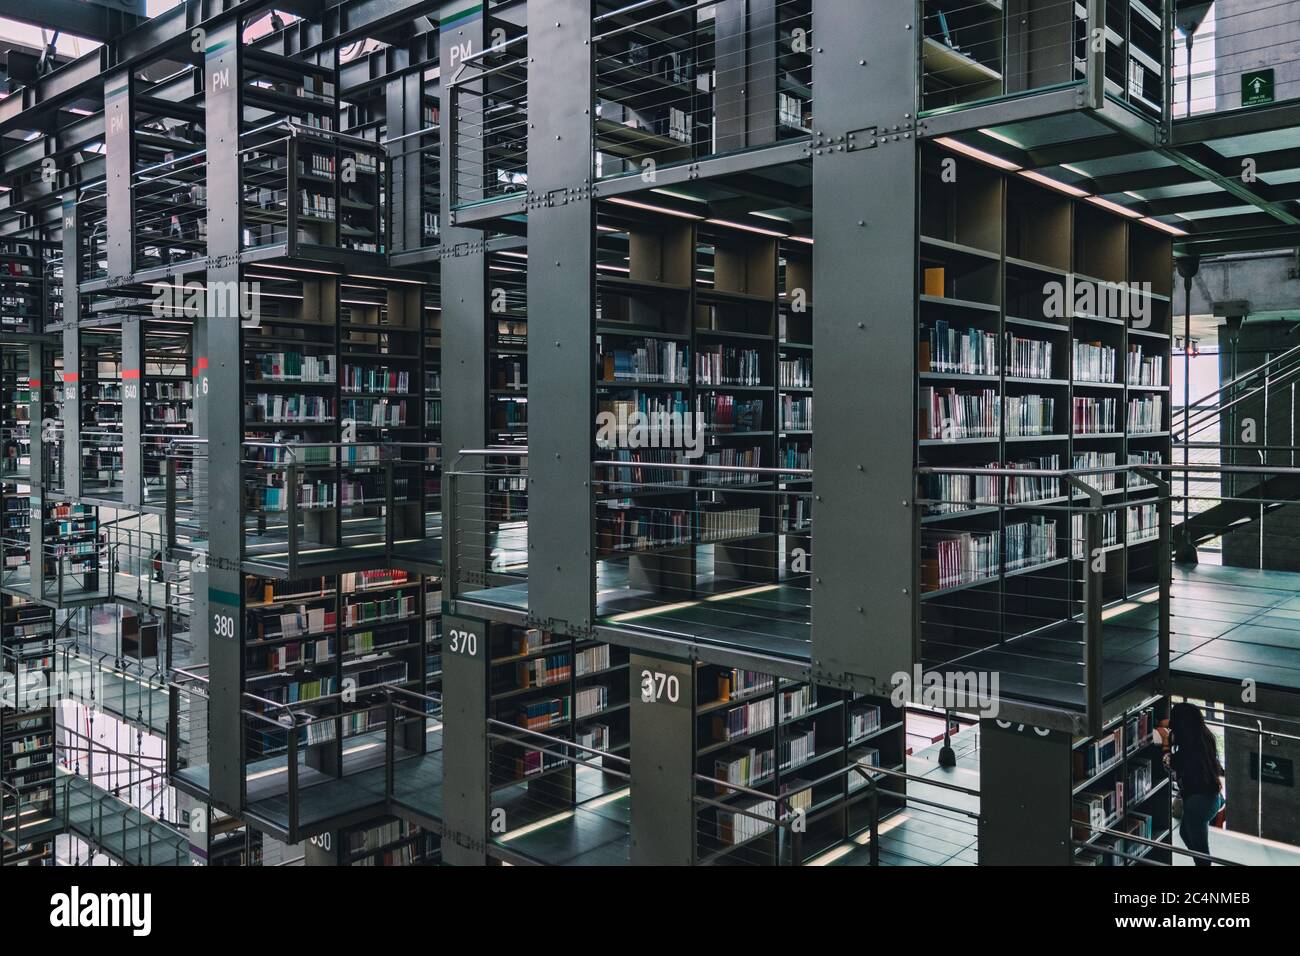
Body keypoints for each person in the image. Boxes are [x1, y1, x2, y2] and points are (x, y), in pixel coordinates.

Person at [1157, 702, 1224, 865]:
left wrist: (1165, 744)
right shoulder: (1204, 737)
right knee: (1185, 834)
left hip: (1198, 805)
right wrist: (1162, 724)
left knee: (1201, 851)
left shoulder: (1187, 754)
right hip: (1211, 797)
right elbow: (1169, 723)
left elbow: (1168, 764)